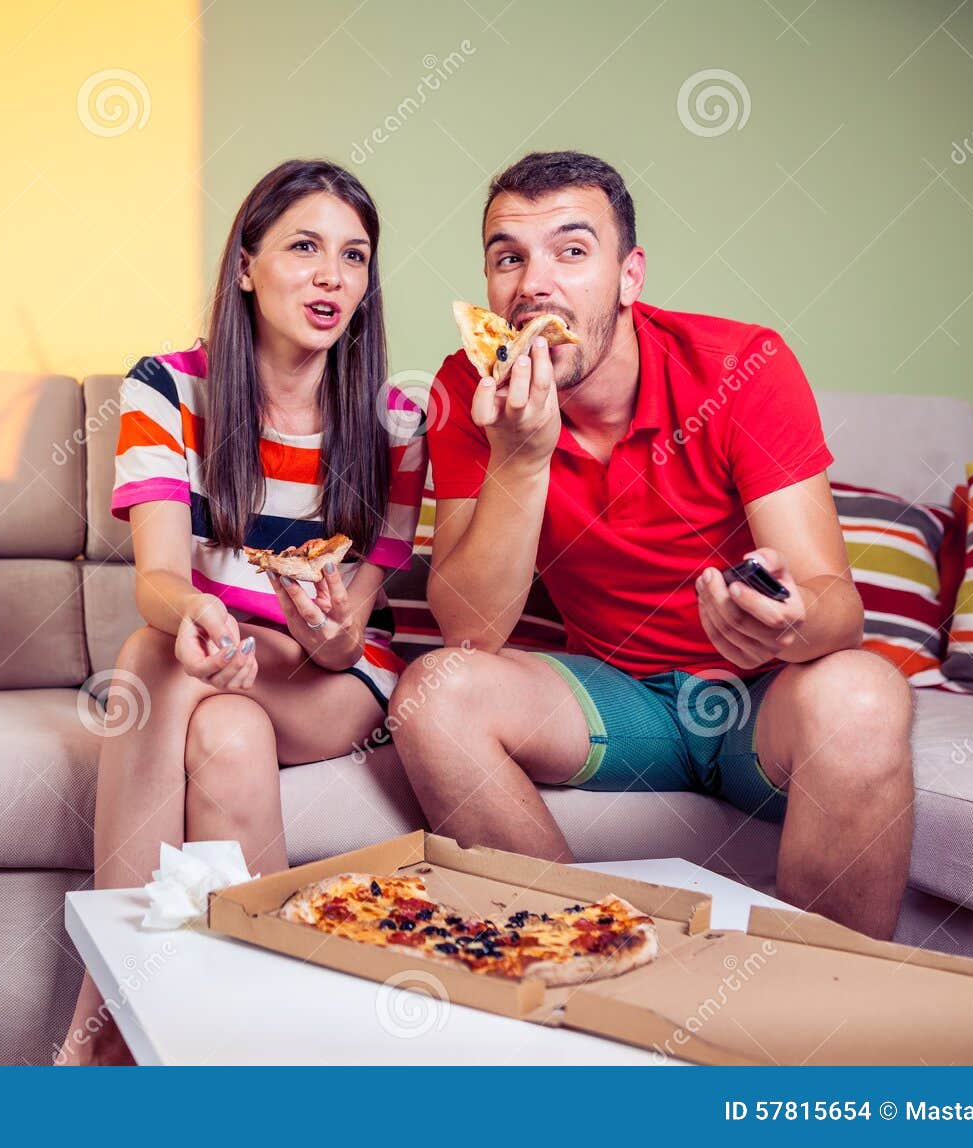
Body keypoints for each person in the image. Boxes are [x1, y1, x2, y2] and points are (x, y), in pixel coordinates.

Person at [391, 151, 913, 941]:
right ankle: (588, 958)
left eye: (571, 251)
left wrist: (788, 623)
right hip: (618, 701)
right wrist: (521, 457)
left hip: (762, 703)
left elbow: (839, 613)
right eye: (509, 257)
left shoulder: (743, 367)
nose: (535, 284)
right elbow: (471, 630)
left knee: (867, 694)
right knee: (434, 694)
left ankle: (821, 1020)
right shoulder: (472, 389)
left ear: (629, 277)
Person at [56, 159, 426, 1063]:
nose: (332, 275)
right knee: (212, 718)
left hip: (331, 684)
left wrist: (323, 629)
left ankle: (97, 1032)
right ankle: (252, 1050)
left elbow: (352, 642)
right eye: (304, 247)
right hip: (208, 662)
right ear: (247, 266)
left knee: (153, 667)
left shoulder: (397, 419)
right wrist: (195, 615)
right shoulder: (168, 388)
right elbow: (158, 582)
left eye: (354, 255)